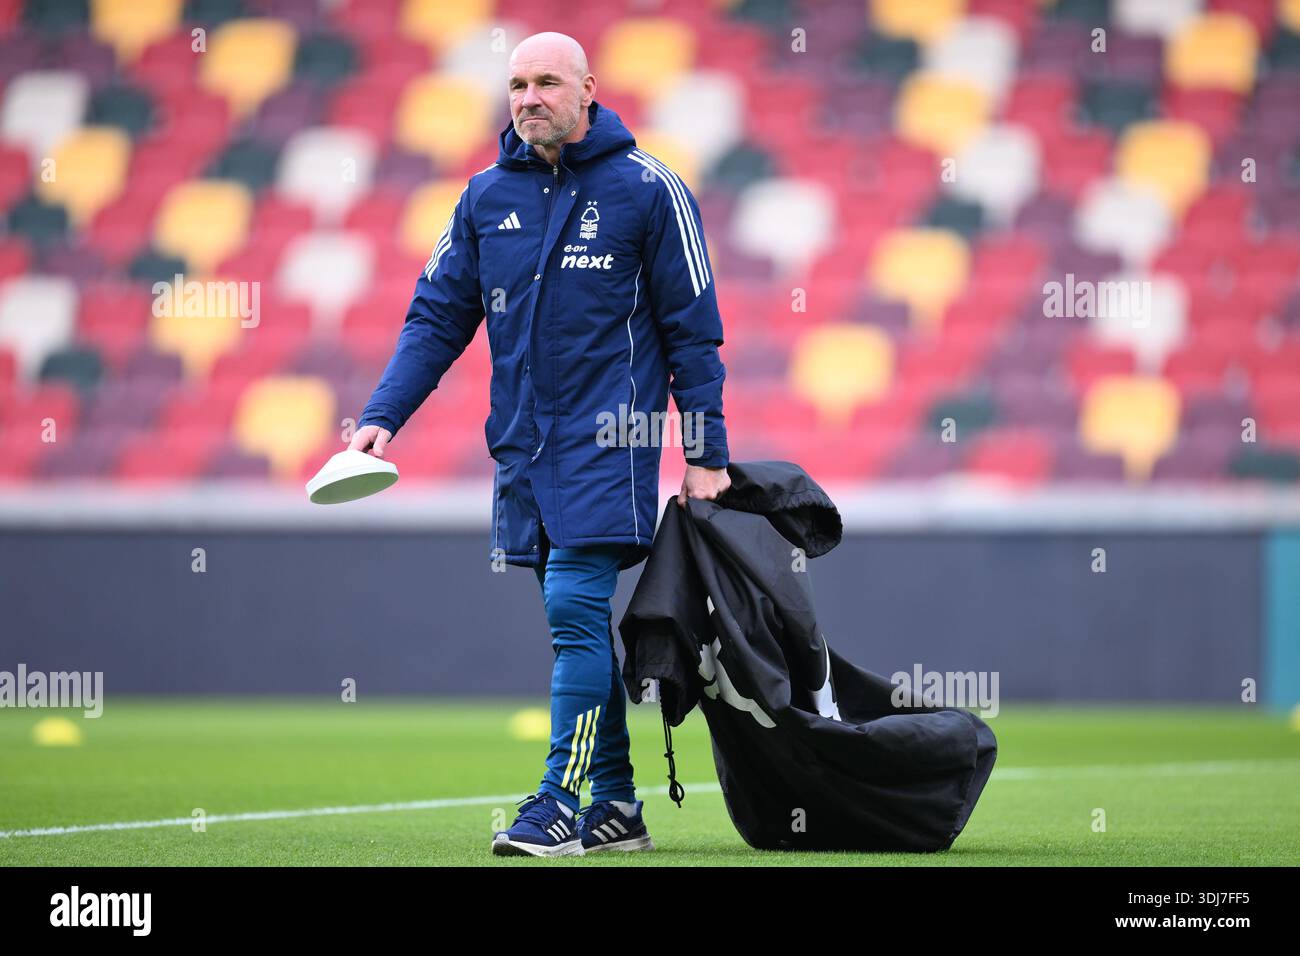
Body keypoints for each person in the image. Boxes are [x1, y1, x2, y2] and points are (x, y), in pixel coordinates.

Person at [348, 31, 731, 857]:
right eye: (516, 83)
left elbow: (693, 333)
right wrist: (382, 415)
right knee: (581, 630)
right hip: (522, 451)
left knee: (571, 613)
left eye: (547, 82)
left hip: (610, 447)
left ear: (588, 89)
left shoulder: (648, 188)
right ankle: (620, 808)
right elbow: (437, 317)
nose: (528, 97)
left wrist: (706, 451)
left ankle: (559, 798)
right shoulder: (485, 198)